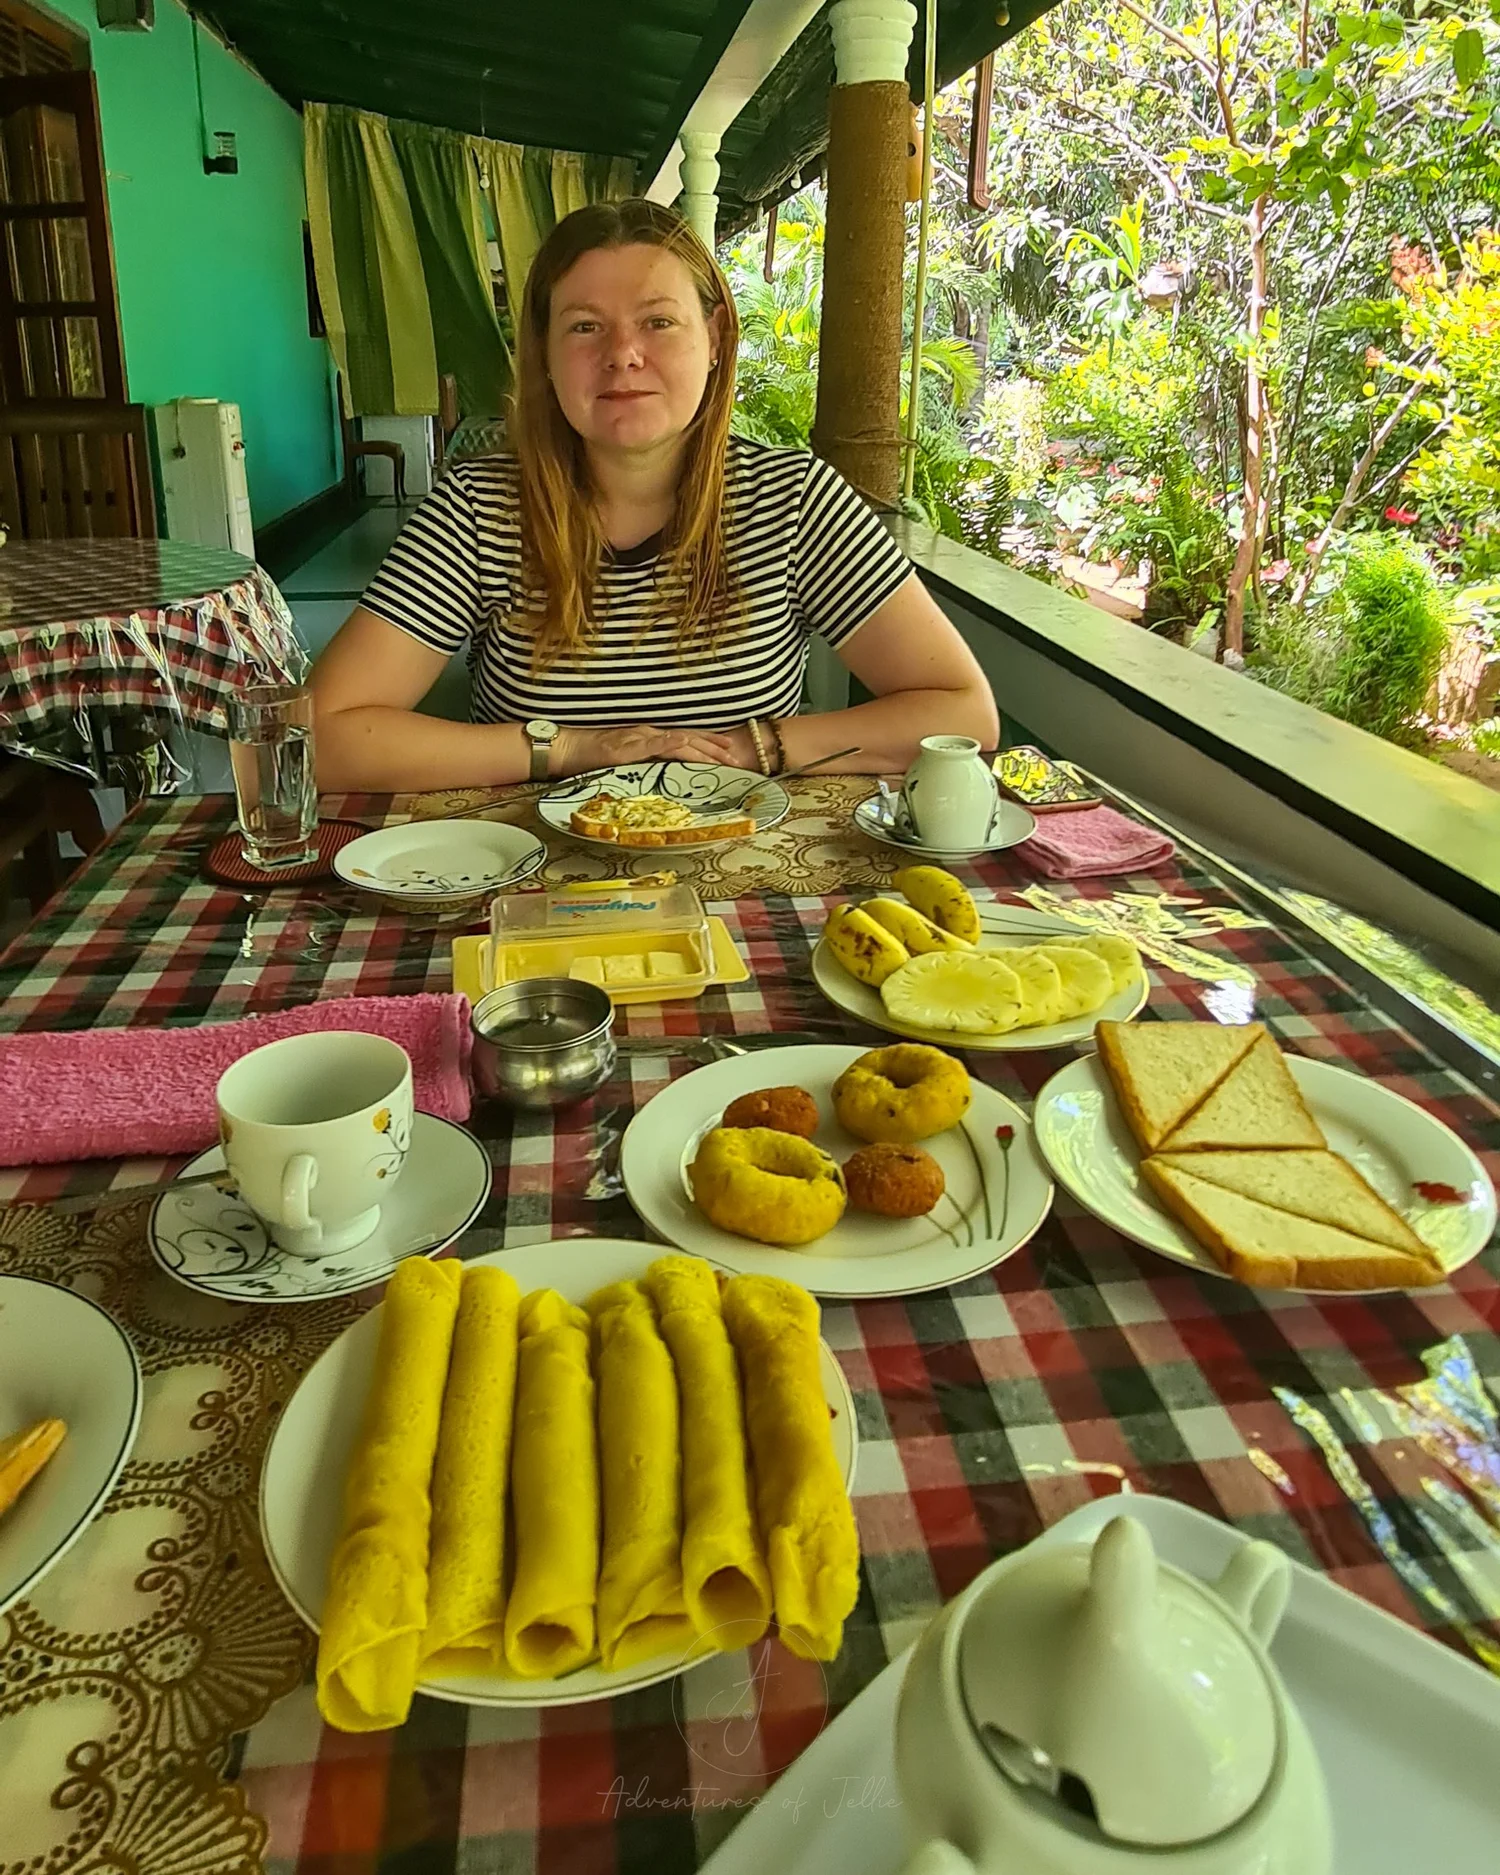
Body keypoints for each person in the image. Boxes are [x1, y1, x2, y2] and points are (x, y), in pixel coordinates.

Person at [309, 198, 997, 790]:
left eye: (658, 322)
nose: (623, 354)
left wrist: (756, 747)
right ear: (544, 352)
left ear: (716, 338)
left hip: (746, 869)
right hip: (537, 877)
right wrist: (566, 750)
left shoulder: (793, 503)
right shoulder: (478, 509)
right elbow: (317, 736)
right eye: (584, 326)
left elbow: (964, 712)